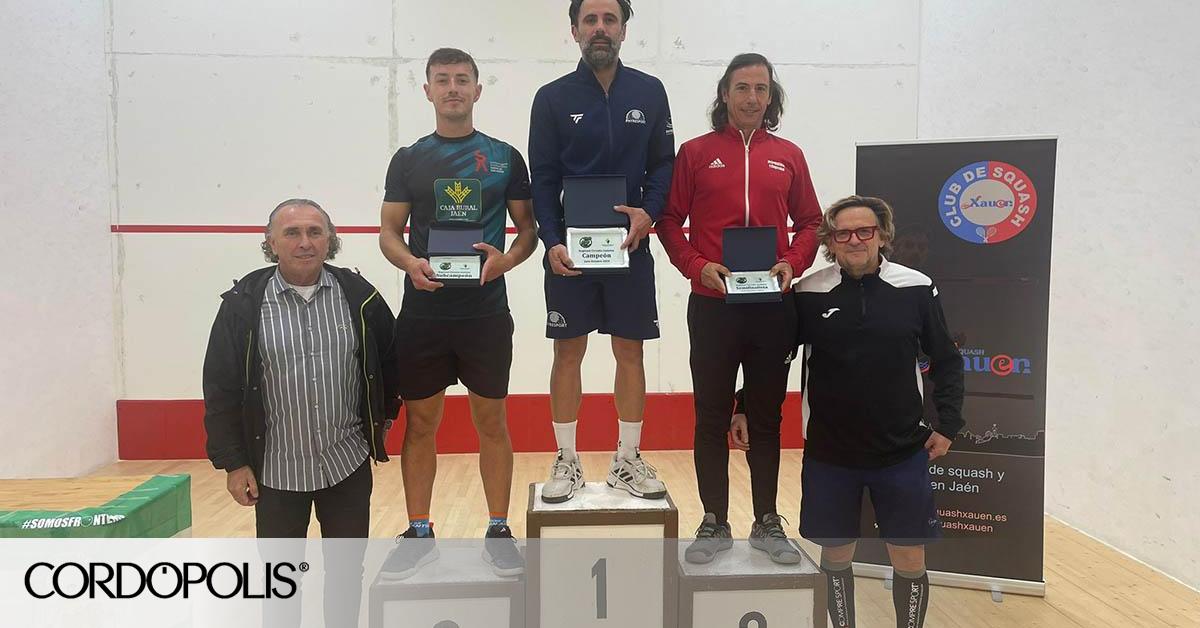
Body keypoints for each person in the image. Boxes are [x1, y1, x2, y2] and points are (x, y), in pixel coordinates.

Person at [658, 52, 823, 564]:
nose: (752, 97)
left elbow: (812, 222)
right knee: (710, 415)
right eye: (742, 88)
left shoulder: (789, 155)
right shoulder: (695, 153)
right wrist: (695, 265)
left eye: (760, 89)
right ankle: (713, 520)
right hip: (713, 306)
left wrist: (793, 262)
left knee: (767, 418)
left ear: (771, 97)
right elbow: (668, 220)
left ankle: (767, 521)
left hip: (773, 308)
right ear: (724, 95)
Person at [203, 198, 399, 625]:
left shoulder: (360, 297)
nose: (305, 242)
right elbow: (220, 388)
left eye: (315, 232)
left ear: (331, 240)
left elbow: (390, 362)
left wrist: (381, 421)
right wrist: (234, 463)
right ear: (271, 242)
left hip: (345, 466)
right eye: (292, 233)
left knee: (347, 573)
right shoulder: (242, 305)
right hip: (275, 473)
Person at [378, 48, 537, 577]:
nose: (452, 88)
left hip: (485, 313)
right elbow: (389, 234)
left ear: (477, 90)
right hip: (423, 314)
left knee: (491, 420)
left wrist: (504, 263)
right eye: (442, 80)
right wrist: (410, 264)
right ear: (427, 91)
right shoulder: (408, 159)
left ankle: (498, 527)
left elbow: (529, 232)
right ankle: (419, 529)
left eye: (461, 80)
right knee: (421, 424)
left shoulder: (505, 157)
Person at [529, 0, 675, 503]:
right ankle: (567, 461)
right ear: (574, 31)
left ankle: (626, 459)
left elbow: (663, 165)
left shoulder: (650, 92)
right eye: (589, 20)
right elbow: (542, 178)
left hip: (630, 247)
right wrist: (551, 240)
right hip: (572, 251)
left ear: (623, 29)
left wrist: (648, 213)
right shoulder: (551, 98)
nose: (599, 28)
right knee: (567, 350)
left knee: (629, 350)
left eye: (608, 19)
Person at [794, 195, 964, 628]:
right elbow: (775, 357)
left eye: (864, 231)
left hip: (902, 451)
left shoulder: (916, 287)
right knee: (835, 552)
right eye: (843, 233)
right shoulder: (808, 291)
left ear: (882, 235)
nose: (854, 240)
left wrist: (947, 424)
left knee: (908, 554)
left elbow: (944, 359)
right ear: (830, 240)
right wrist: (743, 405)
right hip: (831, 452)